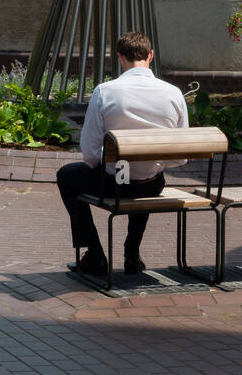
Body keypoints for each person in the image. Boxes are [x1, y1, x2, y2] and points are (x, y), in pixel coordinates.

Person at [57, 31, 188, 277]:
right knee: (146, 175)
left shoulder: (105, 91)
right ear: (150, 55)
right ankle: (131, 251)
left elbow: (90, 153)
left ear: (120, 58)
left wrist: (108, 165)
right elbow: (180, 155)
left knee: (66, 176)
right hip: (151, 185)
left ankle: (95, 254)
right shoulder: (173, 93)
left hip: (113, 184)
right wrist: (154, 162)